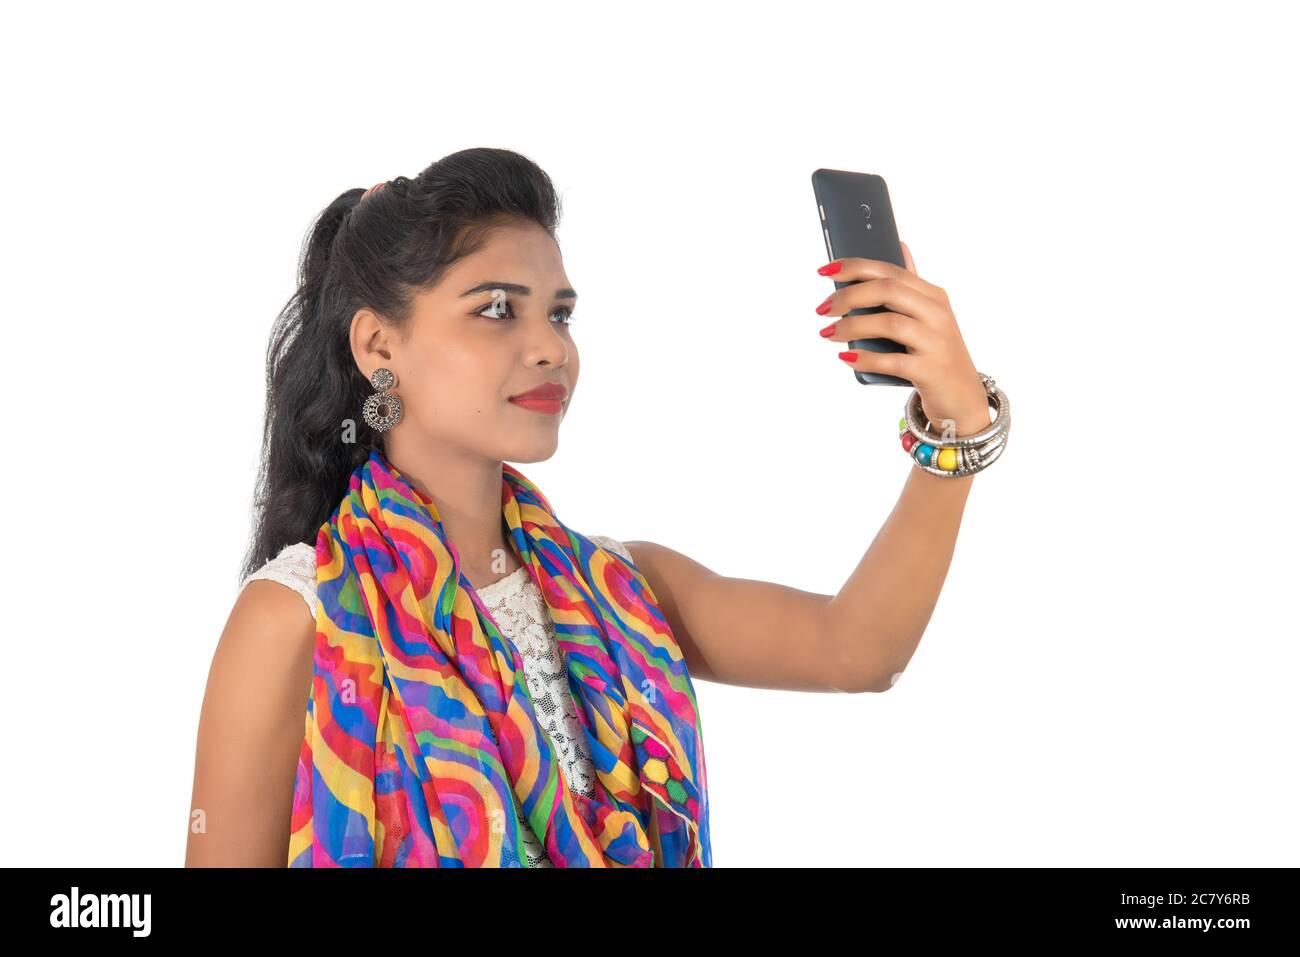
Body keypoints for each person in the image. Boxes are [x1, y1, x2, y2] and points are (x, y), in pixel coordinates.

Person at [184, 147, 1006, 868]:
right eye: (496, 308)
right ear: (378, 346)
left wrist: (957, 429)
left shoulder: (623, 588)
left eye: (560, 312)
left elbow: (856, 649)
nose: (550, 346)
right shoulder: (298, 616)